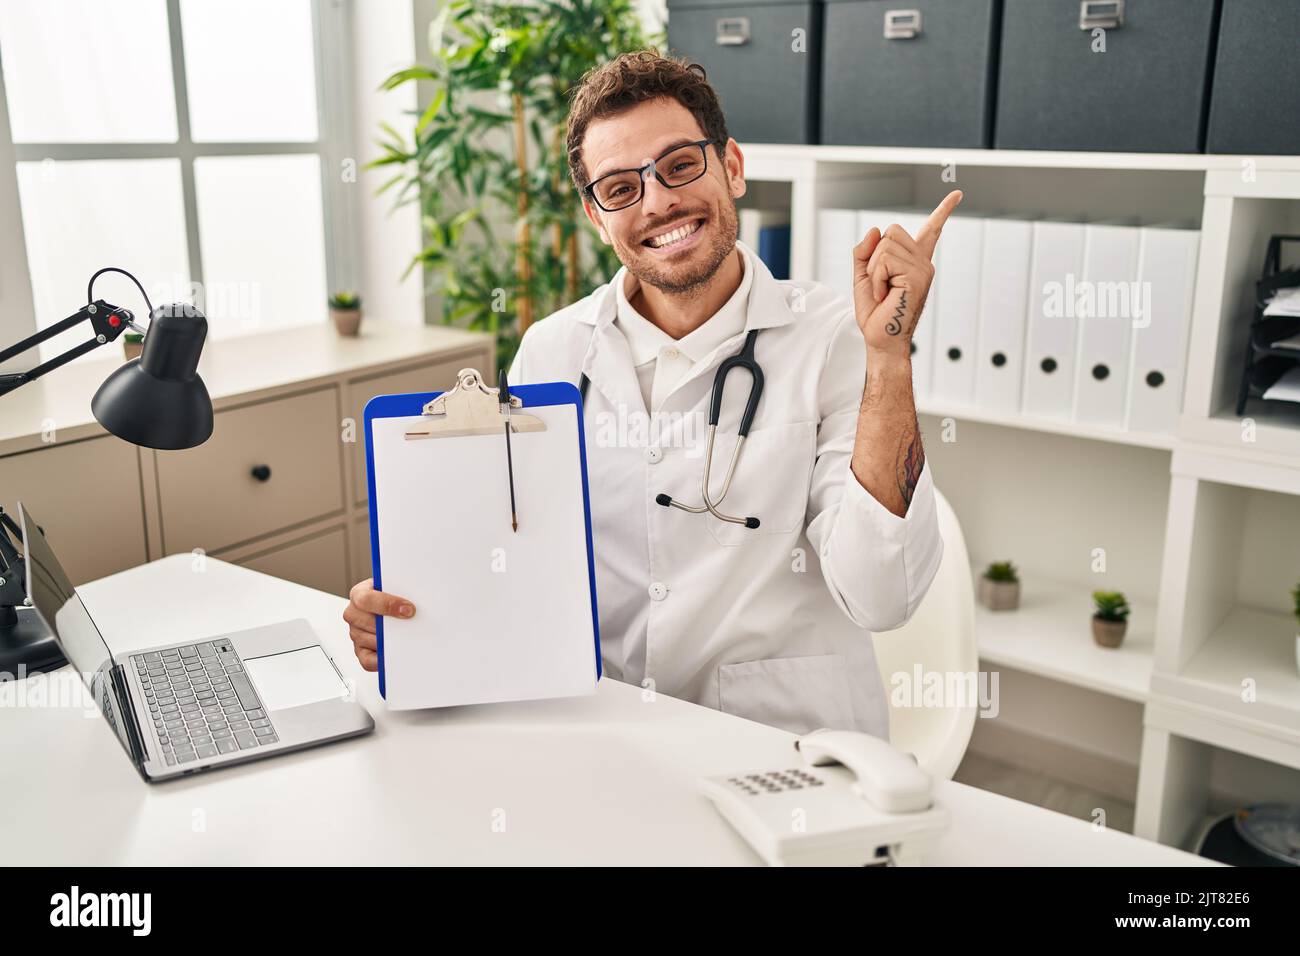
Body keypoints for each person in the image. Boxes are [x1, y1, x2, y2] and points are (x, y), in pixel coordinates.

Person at [343, 51, 961, 738]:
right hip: (598, 731)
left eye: (679, 166)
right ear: (594, 215)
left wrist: (889, 357)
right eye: (619, 187)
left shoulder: (838, 339)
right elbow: (505, 561)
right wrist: (414, 613)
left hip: (782, 743)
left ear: (730, 166)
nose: (658, 202)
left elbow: (883, 597)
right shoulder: (552, 353)